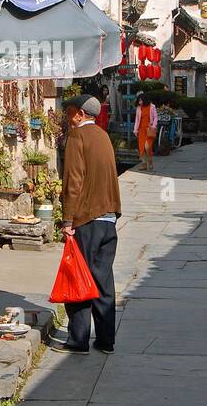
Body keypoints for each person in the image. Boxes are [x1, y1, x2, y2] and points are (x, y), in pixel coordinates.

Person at [51, 94, 122, 354]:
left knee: (78, 278)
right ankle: (105, 341)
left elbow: (73, 181)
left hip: (87, 219)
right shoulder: (103, 136)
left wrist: (67, 219)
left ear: (80, 114)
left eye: (69, 113)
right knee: (103, 281)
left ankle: (78, 340)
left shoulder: (77, 137)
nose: (67, 118)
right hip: (109, 218)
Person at [134, 93, 158, 171]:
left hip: (149, 130)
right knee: (141, 148)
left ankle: (150, 162)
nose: (139, 102)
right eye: (139, 101)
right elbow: (137, 120)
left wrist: (153, 126)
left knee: (147, 147)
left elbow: (155, 117)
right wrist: (135, 130)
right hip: (141, 130)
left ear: (144, 100)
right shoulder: (138, 108)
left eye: (141, 100)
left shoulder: (152, 107)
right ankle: (144, 164)